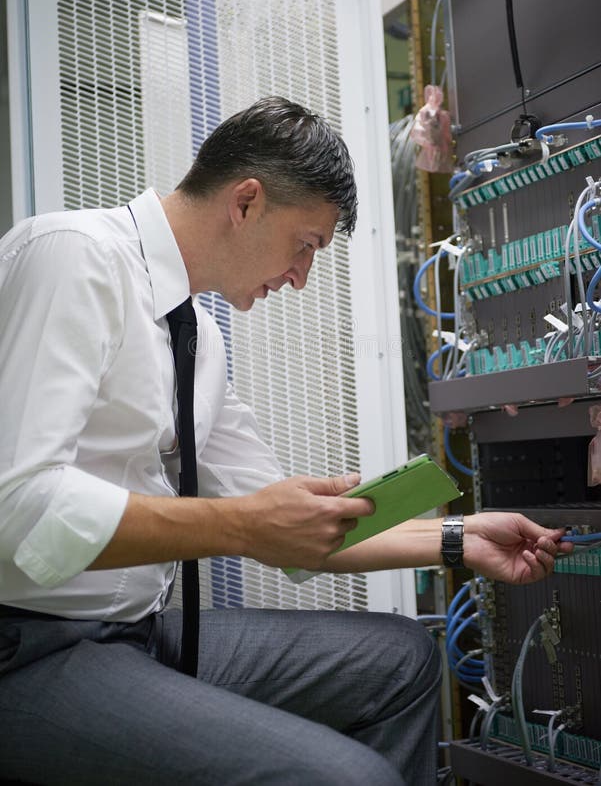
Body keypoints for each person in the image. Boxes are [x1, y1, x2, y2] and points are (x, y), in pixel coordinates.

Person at [0, 97, 569, 786]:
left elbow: (287, 524)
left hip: (134, 633)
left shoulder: (195, 338)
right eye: (306, 245)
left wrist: (459, 537)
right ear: (245, 202)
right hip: (28, 648)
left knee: (400, 659)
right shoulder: (72, 257)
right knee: (345, 778)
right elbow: (21, 503)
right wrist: (241, 527)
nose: (300, 277)